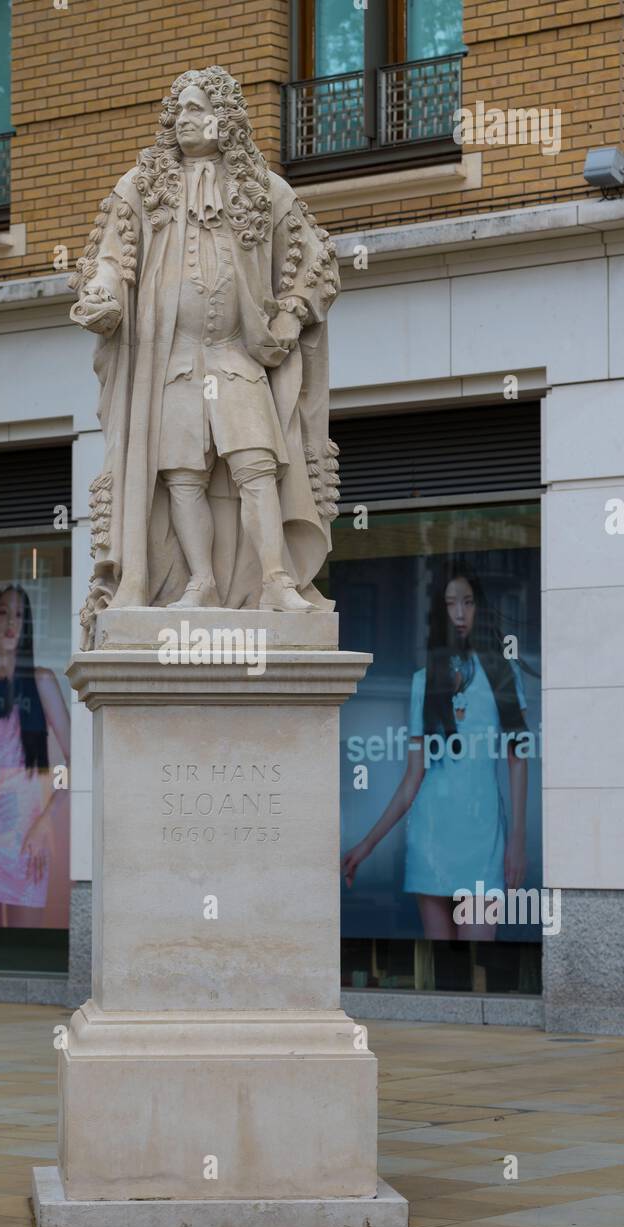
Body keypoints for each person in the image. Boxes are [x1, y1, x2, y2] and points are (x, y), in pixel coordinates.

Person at [69, 65, 342, 647]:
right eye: (180, 111)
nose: (185, 120)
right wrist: (104, 297)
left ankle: (274, 580)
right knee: (182, 474)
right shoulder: (140, 188)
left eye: (198, 109)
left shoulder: (263, 189)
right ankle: (201, 582)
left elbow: (318, 261)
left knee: (256, 464)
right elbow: (111, 260)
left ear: (227, 119)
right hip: (172, 358)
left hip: (235, 354)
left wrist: (292, 311)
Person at [342, 563, 530, 942]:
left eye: (468, 602)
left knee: (477, 963)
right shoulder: (423, 682)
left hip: (483, 836)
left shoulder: (502, 672)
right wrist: (367, 843)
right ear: (438, 612)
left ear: (480, 607)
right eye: (450, 604)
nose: (460, 614)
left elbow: (517, 756)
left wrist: (518, 839)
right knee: (443, 967)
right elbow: (413, 780)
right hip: (430, 837)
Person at [0, 584, 70, 928]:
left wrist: (44, 823)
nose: (11, 622)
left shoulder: (43, 682)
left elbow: (79, 762)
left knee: (26, 948)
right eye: (4, 612)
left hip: (26, 841)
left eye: (20, 615)